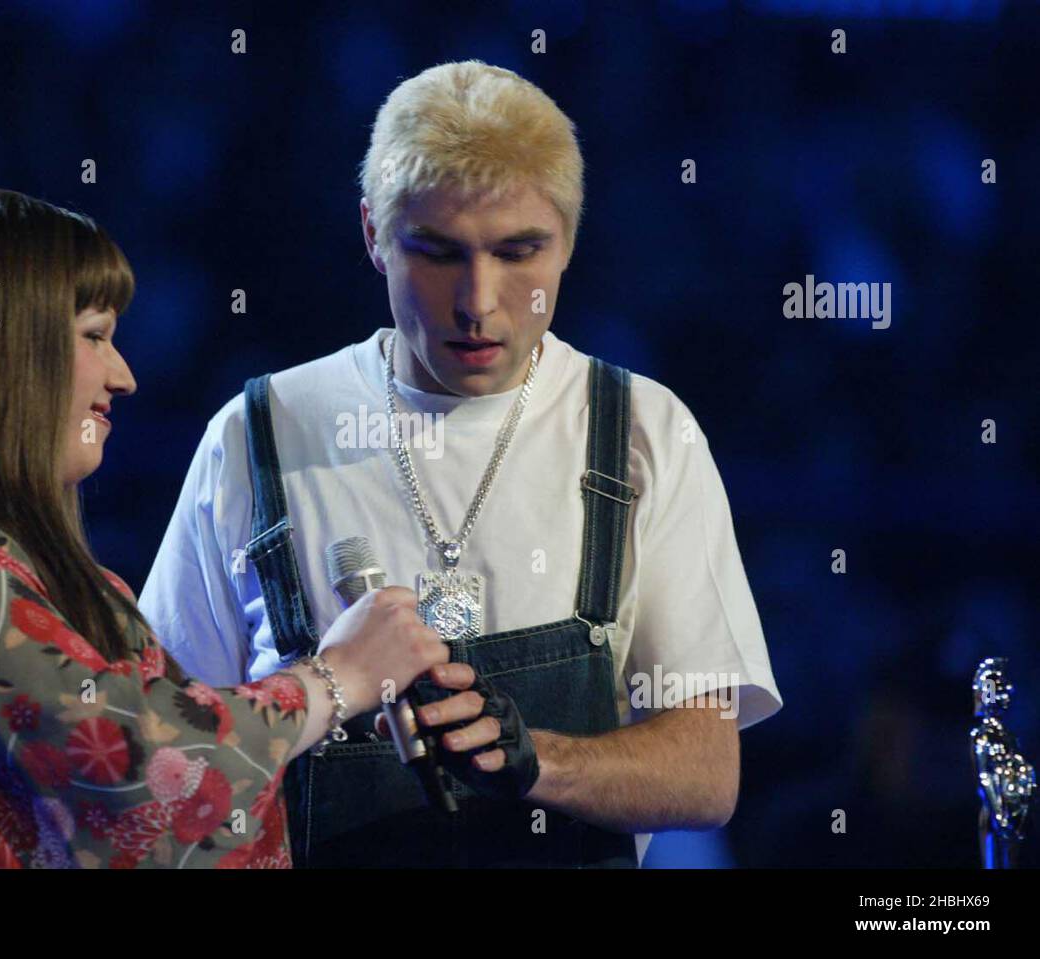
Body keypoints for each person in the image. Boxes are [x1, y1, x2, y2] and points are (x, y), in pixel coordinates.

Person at [139, 61, 784, 867]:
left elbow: (707, 772)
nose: (478, 300)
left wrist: (536, 760)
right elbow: (162, 760)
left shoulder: (641, 431)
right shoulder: (258, 435)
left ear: (570, 240)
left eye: (520, 252)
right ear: (373, 234)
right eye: (438, 252)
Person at [0, 188, 461, 869]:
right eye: (94, 336)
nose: (124, 376)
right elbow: (132, 775)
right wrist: (333, 680)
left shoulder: (49, 573)